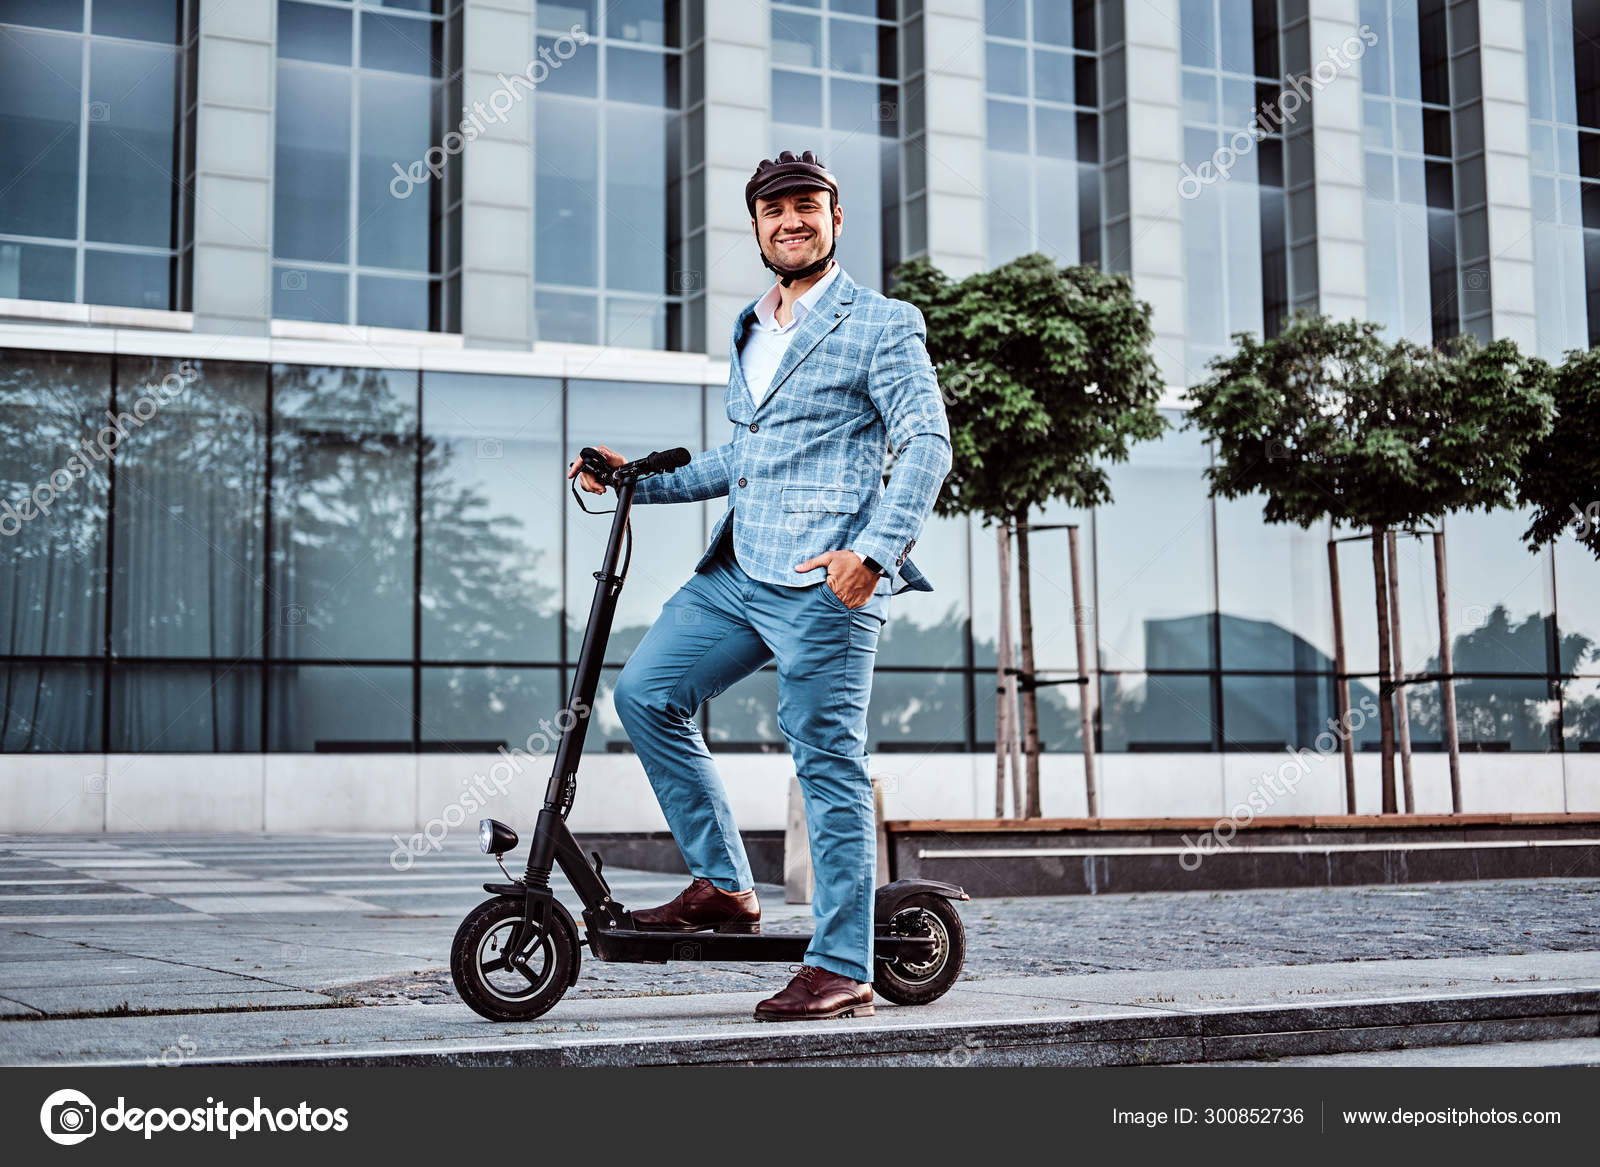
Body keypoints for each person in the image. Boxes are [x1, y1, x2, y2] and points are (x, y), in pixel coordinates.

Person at [566, 150, 951, 1021]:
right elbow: (746, 459)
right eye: (774, 210)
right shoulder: (751, 324)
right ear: (756, 226)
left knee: (827, 764)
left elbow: (928, 444)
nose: (791, 221)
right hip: (737, 572)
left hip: (826, 585)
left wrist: (874, 553)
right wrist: (638, 481)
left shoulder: (882, 322)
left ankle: (845, 963)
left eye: (807, 207)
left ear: (836, 218)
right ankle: (724, 884)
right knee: (648, 693)